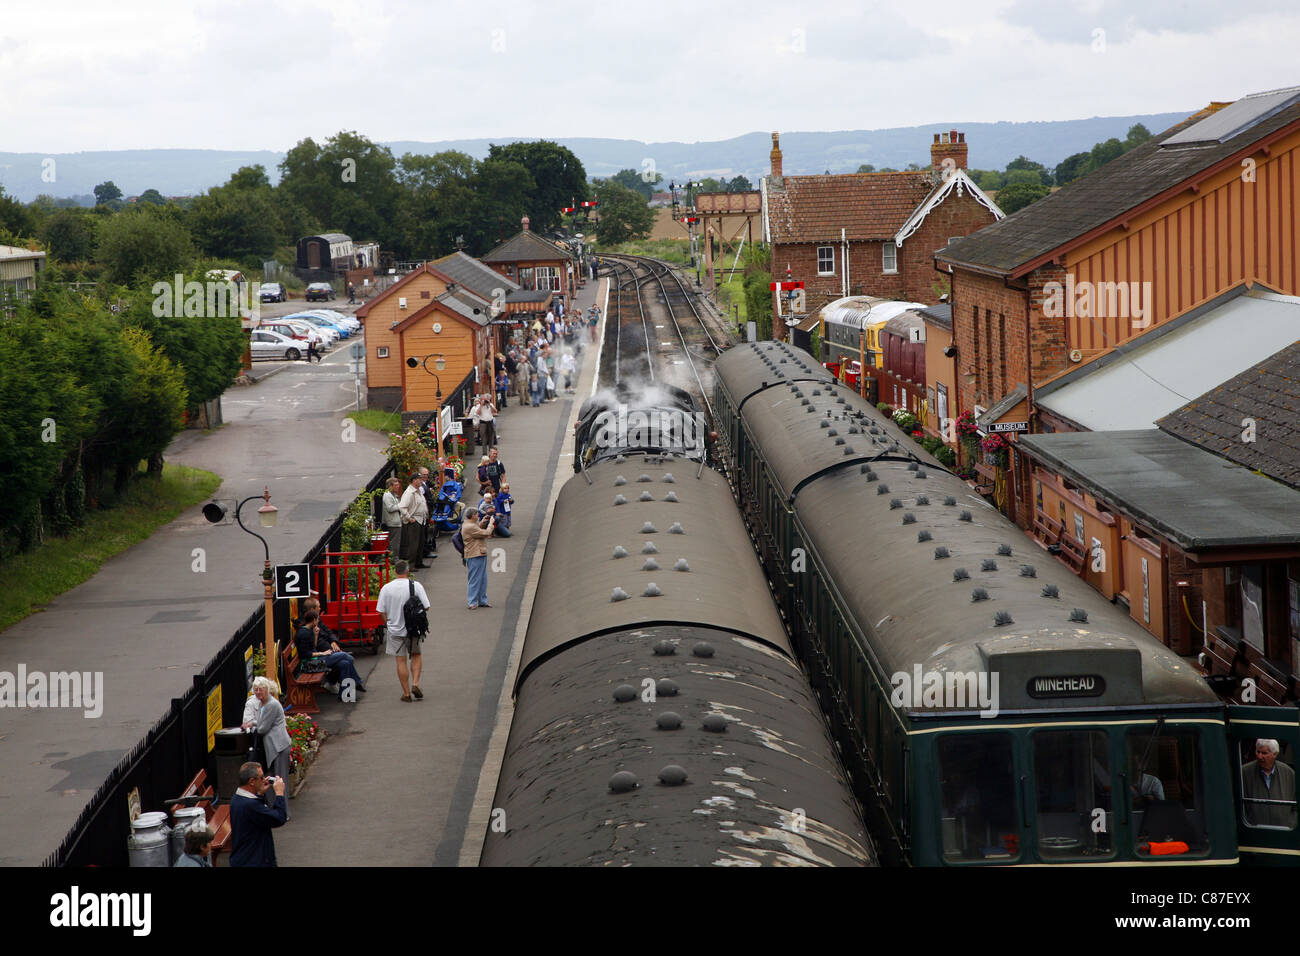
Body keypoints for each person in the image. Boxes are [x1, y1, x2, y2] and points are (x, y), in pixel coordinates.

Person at [375, 559, 430, 702]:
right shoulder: (415, 585)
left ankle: (406, 694)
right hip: (413, 629)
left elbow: (380, 611)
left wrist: (387, 624)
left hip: (395, 629)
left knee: (400, 661)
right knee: (416, 655)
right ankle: (416, 684)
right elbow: (426, 607)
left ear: (395, 571)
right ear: (407, 571)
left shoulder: (386, 588)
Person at [241, 678, 291, 816]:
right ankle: (276, 809)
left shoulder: (271, 705)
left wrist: (252, 725)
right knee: (273, 777)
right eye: (255, 689)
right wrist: (254, 723)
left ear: (267, 689)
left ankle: (284, 813)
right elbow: (262, 722)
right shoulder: (265, 704)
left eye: (261, 689)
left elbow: (263, 728)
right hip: (275, 746)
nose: (258, 692)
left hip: (279, 746)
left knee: (280, 780)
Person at [294, 608, 367, 699]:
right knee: (346, 657)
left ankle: (345, 694)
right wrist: (322, 653)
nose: (318, 621)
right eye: (318, 619)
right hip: (311, 664)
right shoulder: (304, 633)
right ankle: (357, 682)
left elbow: (313, 647)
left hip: (316, 661)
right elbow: (305, 654)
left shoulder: (309, 630)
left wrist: (316, 635)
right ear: (314, 620)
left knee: (345, 664)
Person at [229, 762, 287, 867]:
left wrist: (260, 794)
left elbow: (258, 815)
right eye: (261, 777)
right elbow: (279, 818)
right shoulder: (250, 805)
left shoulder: (237, 798)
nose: (264, 779)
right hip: (255, 860)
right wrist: (279, 794)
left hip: (244, 857)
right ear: (252, 781)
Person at [1242, 738, 1297, 828]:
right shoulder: (1245, 772)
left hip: (1283, 833)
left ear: (1275, 754)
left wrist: (1290, 824)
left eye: (1264, 753)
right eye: (1257, 752)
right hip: (1254, 833)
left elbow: (1296, 806)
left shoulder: (1289, 773)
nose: (1259, 756)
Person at [461, 507, 495, 609]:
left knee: (483, 579)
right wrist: (490, 524)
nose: (478, 515)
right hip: (474, 554)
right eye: (476, 514)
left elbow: (477, 530)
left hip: (478, 553)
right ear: (472, 516)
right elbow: (486, 533)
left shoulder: (469, 523)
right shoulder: (470, 526)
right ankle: (472, 602)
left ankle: (482, 600)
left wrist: (482, 522)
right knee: (475, 579)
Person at [399, 473, 429, 569]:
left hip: (421, 520)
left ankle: (418, 562)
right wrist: (409, 518)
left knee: (420, 543)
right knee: (413, 544)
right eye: (419, 479)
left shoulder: (418, 490)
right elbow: (402, 506)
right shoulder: (409, 492)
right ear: (414, 480)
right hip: (414, 520)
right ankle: (411, 565)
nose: (421, 481)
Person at [417, 465, 438, 559]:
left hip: (427, 511)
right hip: (424, 512)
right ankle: (425, 552)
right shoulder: (421, 487)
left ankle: (426, 550)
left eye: (427, 474)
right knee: (425, 533)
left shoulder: (425, 484)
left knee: (426, 532)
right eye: (424, 474)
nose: (426, 476)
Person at [382, 476, 404, 559]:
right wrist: (401, 505)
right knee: (394, 543)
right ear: (390, 486)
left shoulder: (393, 495)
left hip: (396, 522)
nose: (398, 487)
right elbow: (390, 508)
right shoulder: (387, 495)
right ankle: (394, 559)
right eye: (396, 485)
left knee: (396, 542)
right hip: (393, 523)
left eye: (398, 485)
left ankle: (395, 558)